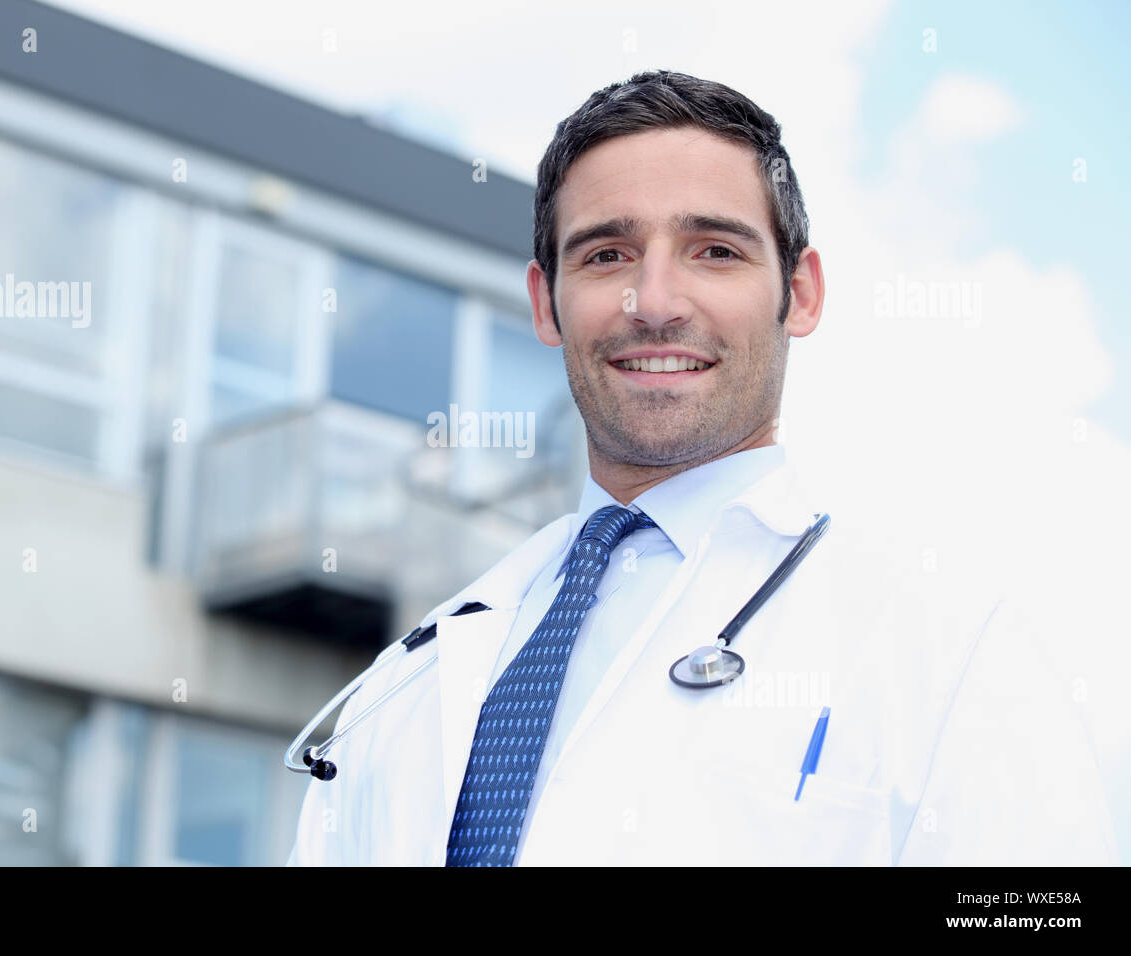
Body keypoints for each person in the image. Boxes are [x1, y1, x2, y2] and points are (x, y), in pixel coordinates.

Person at [287, 70, 1120, 866]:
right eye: (606, 255)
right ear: (546, 302)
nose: (654, 302)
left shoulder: (950, 646)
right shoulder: (407, 683)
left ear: (801, 292)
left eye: (714, 251)